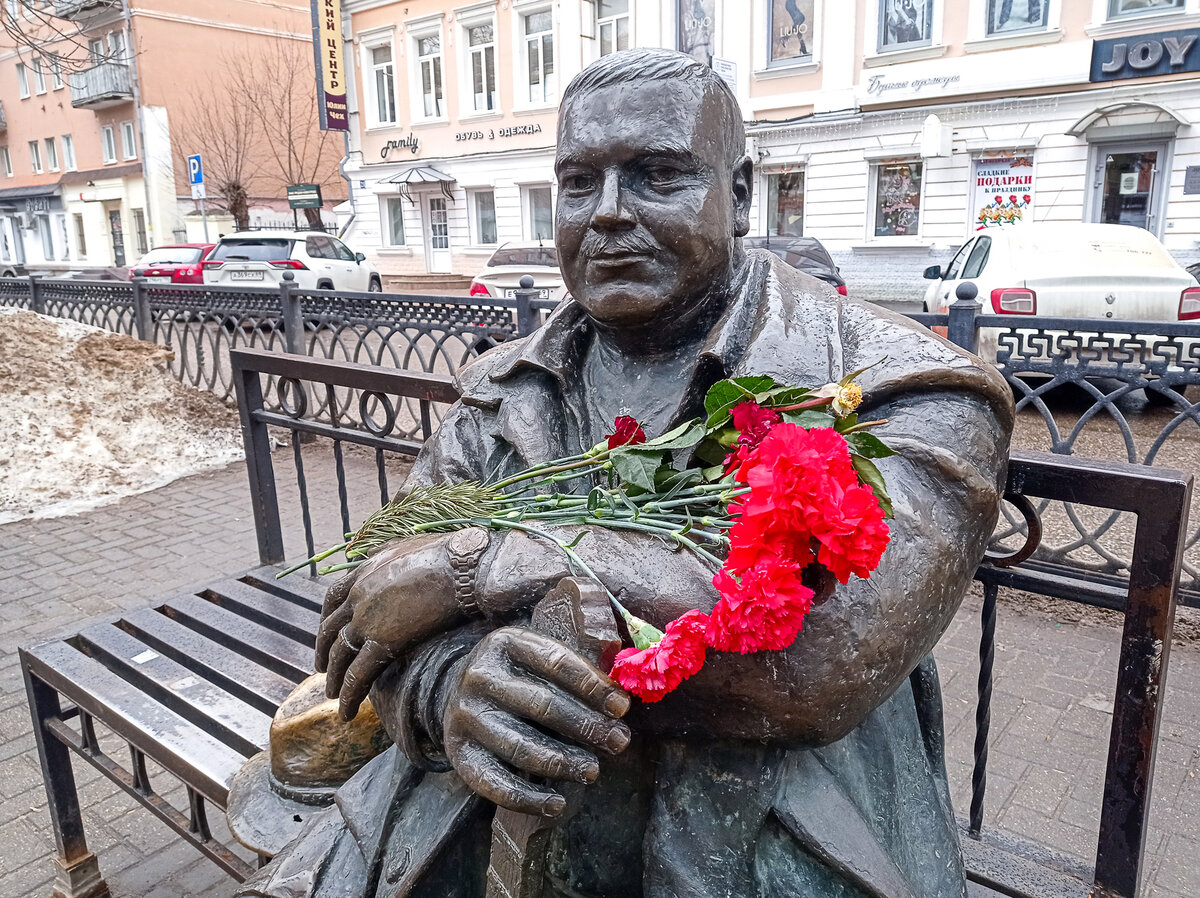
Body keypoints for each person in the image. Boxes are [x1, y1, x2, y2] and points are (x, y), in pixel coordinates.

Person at [240, 48, 1013, 898]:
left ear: (741, 193)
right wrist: (450, 691)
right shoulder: (504, 387)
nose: (607, 214)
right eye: (579, 183)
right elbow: (375, 618)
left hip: (779, 847)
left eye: (657, 175)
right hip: (484, 828)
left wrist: (478, 565)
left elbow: (826, 664)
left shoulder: (905, 387)